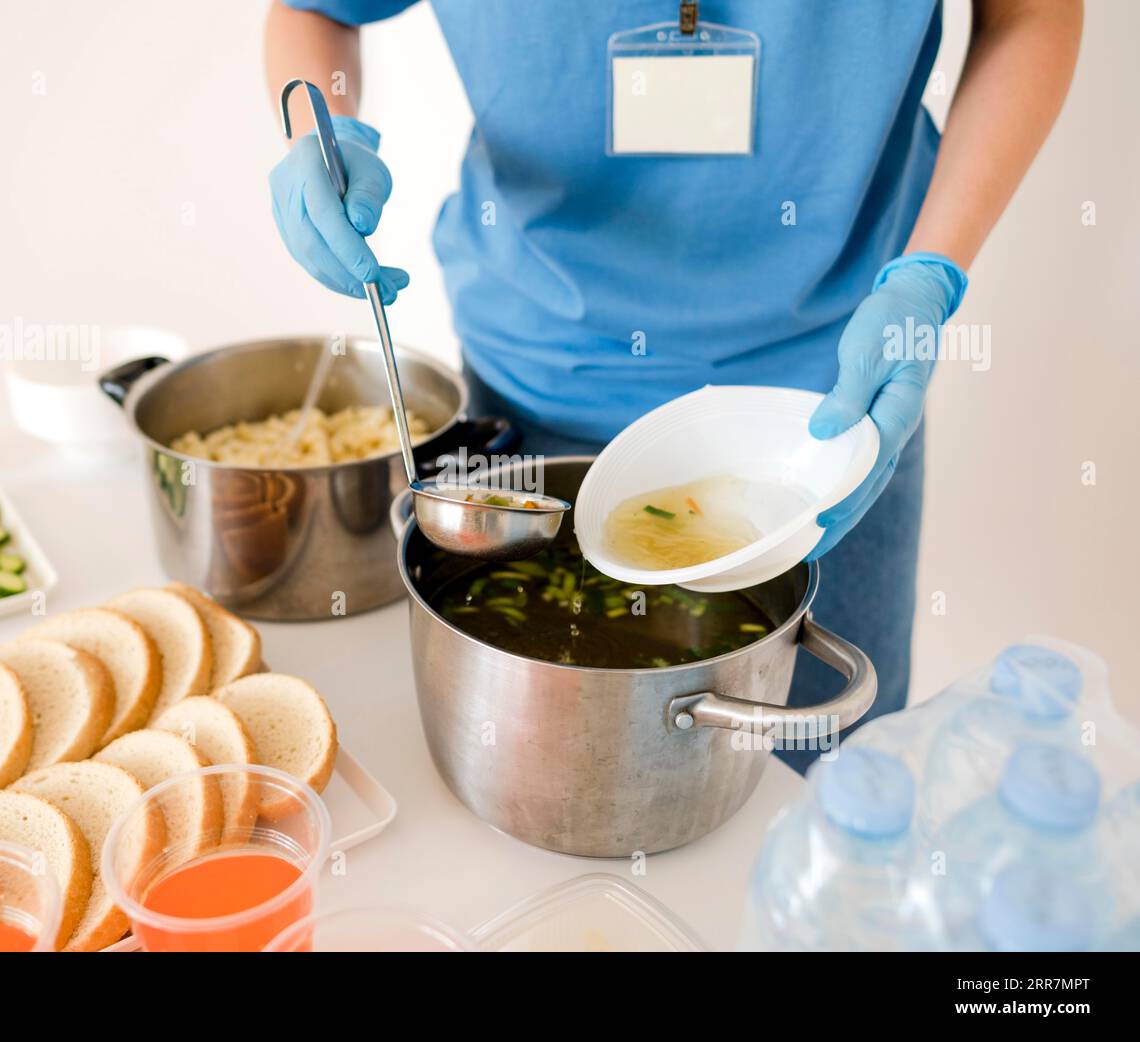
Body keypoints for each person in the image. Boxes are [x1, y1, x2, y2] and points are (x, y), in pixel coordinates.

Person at [264, 0, 1081, 771]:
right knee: (548, 796)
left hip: (836, 412)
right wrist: (316, 136)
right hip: (537, 387)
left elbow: (1031, 16)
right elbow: (318, 9)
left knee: (835, 794)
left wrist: (929, 277)